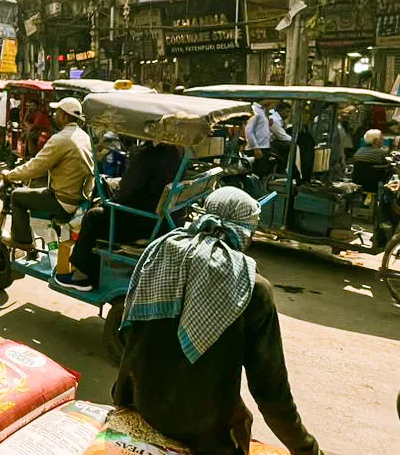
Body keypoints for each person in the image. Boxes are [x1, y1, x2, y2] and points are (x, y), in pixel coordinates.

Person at [113, 187, 321, 455]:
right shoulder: (252, 288)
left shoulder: (158, 254)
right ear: (245, 229)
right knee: (241, 423)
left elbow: (127, 336)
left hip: (139, 406)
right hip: (206, 436)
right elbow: (271, 391)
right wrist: (306, 448)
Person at [60, 141, 182, 291]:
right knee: (105, 205)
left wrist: (106, 203)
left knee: (93, 216)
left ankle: (83, 275)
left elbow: (124, 195)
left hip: (144, 223)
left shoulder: (145, 155)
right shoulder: (175, 151)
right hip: (163, 219)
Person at [0, 97, 94, 250]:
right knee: (35, 191)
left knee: (17, 196)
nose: (55, 115)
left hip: (63, 200)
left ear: (64, 116)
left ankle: (23, 241)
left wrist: (10, 175)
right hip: (79, 197)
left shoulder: (61, 139)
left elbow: (37, 166)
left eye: (57, 112)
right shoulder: (84, 136)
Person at [352, 128, 391, 193]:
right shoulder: (380, 152)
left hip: (357, 182)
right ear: (376, 141)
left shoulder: (359, 150)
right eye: (381, 139)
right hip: (373, 184)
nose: (383, 140)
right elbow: (387, 165)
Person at [244, 101, 273, 178]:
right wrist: (255, 148)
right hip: (257, 149)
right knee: (256, 175)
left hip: (264, 147)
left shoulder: (264, 111)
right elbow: (249, 130)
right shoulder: (255, 110)